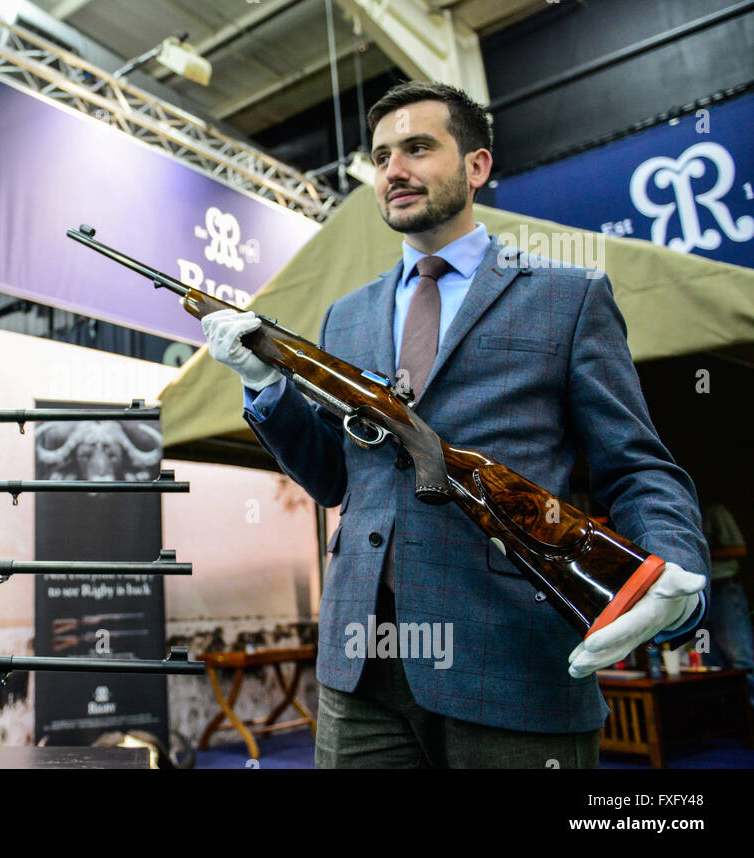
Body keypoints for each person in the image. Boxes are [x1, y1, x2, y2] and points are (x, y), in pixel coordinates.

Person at [202, 81, 709, 768]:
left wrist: (675, 564)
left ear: (477, 166)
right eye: (381, 157)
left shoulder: (567, 295)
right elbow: (330, 478)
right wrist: (267, 388)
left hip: (512, 658)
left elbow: (636, 463)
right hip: (361, 666)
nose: (394, 171)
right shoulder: (345, 316)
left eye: (417, 148)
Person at [700, 501, 752, 707]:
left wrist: (698, 553)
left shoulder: (714, 511)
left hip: (724, 590)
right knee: (707, 661)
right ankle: (728, 721)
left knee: (740, 657)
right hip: (699, 596)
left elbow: (739, 549)